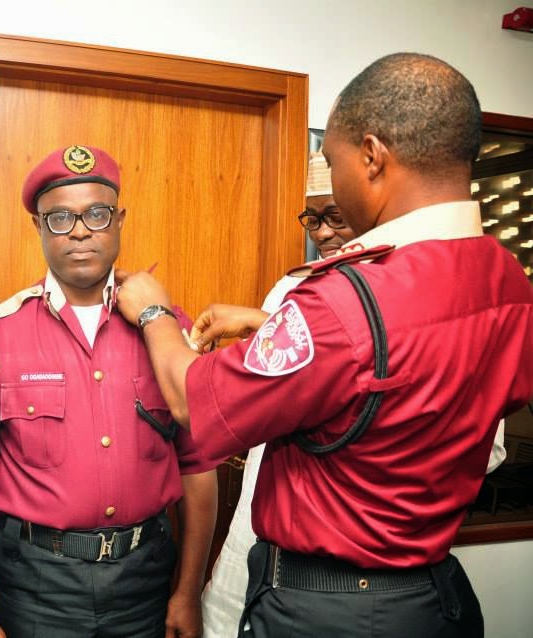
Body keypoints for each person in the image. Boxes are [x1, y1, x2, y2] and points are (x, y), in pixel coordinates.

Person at [115, 53, 533, 637]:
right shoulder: (507, 279)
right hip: (429, 598)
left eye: (333, 162)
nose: (333, 183)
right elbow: (403, 379)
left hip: (332, 610)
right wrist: (271, 323)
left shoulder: (345, 300)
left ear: (371, 156)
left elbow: (193, 399)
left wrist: (153, 311)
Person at [199, 152, 512, 637]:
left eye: (335, 216)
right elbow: (299, 382)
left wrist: (155, 316)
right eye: (312, 218)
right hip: (263, 550)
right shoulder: (292, 289)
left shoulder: (436, 295)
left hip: (366, 577)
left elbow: (479, 443)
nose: (322, 232)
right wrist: (269, 326)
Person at [0, 145, 219, 638]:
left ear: (119, 220)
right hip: (34, 586)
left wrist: (187, 592)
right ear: (37, 226)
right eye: (59, 218)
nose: (78, 230)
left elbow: (198, 466)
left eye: (96, 214)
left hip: (147, 581)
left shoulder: (166, 329)